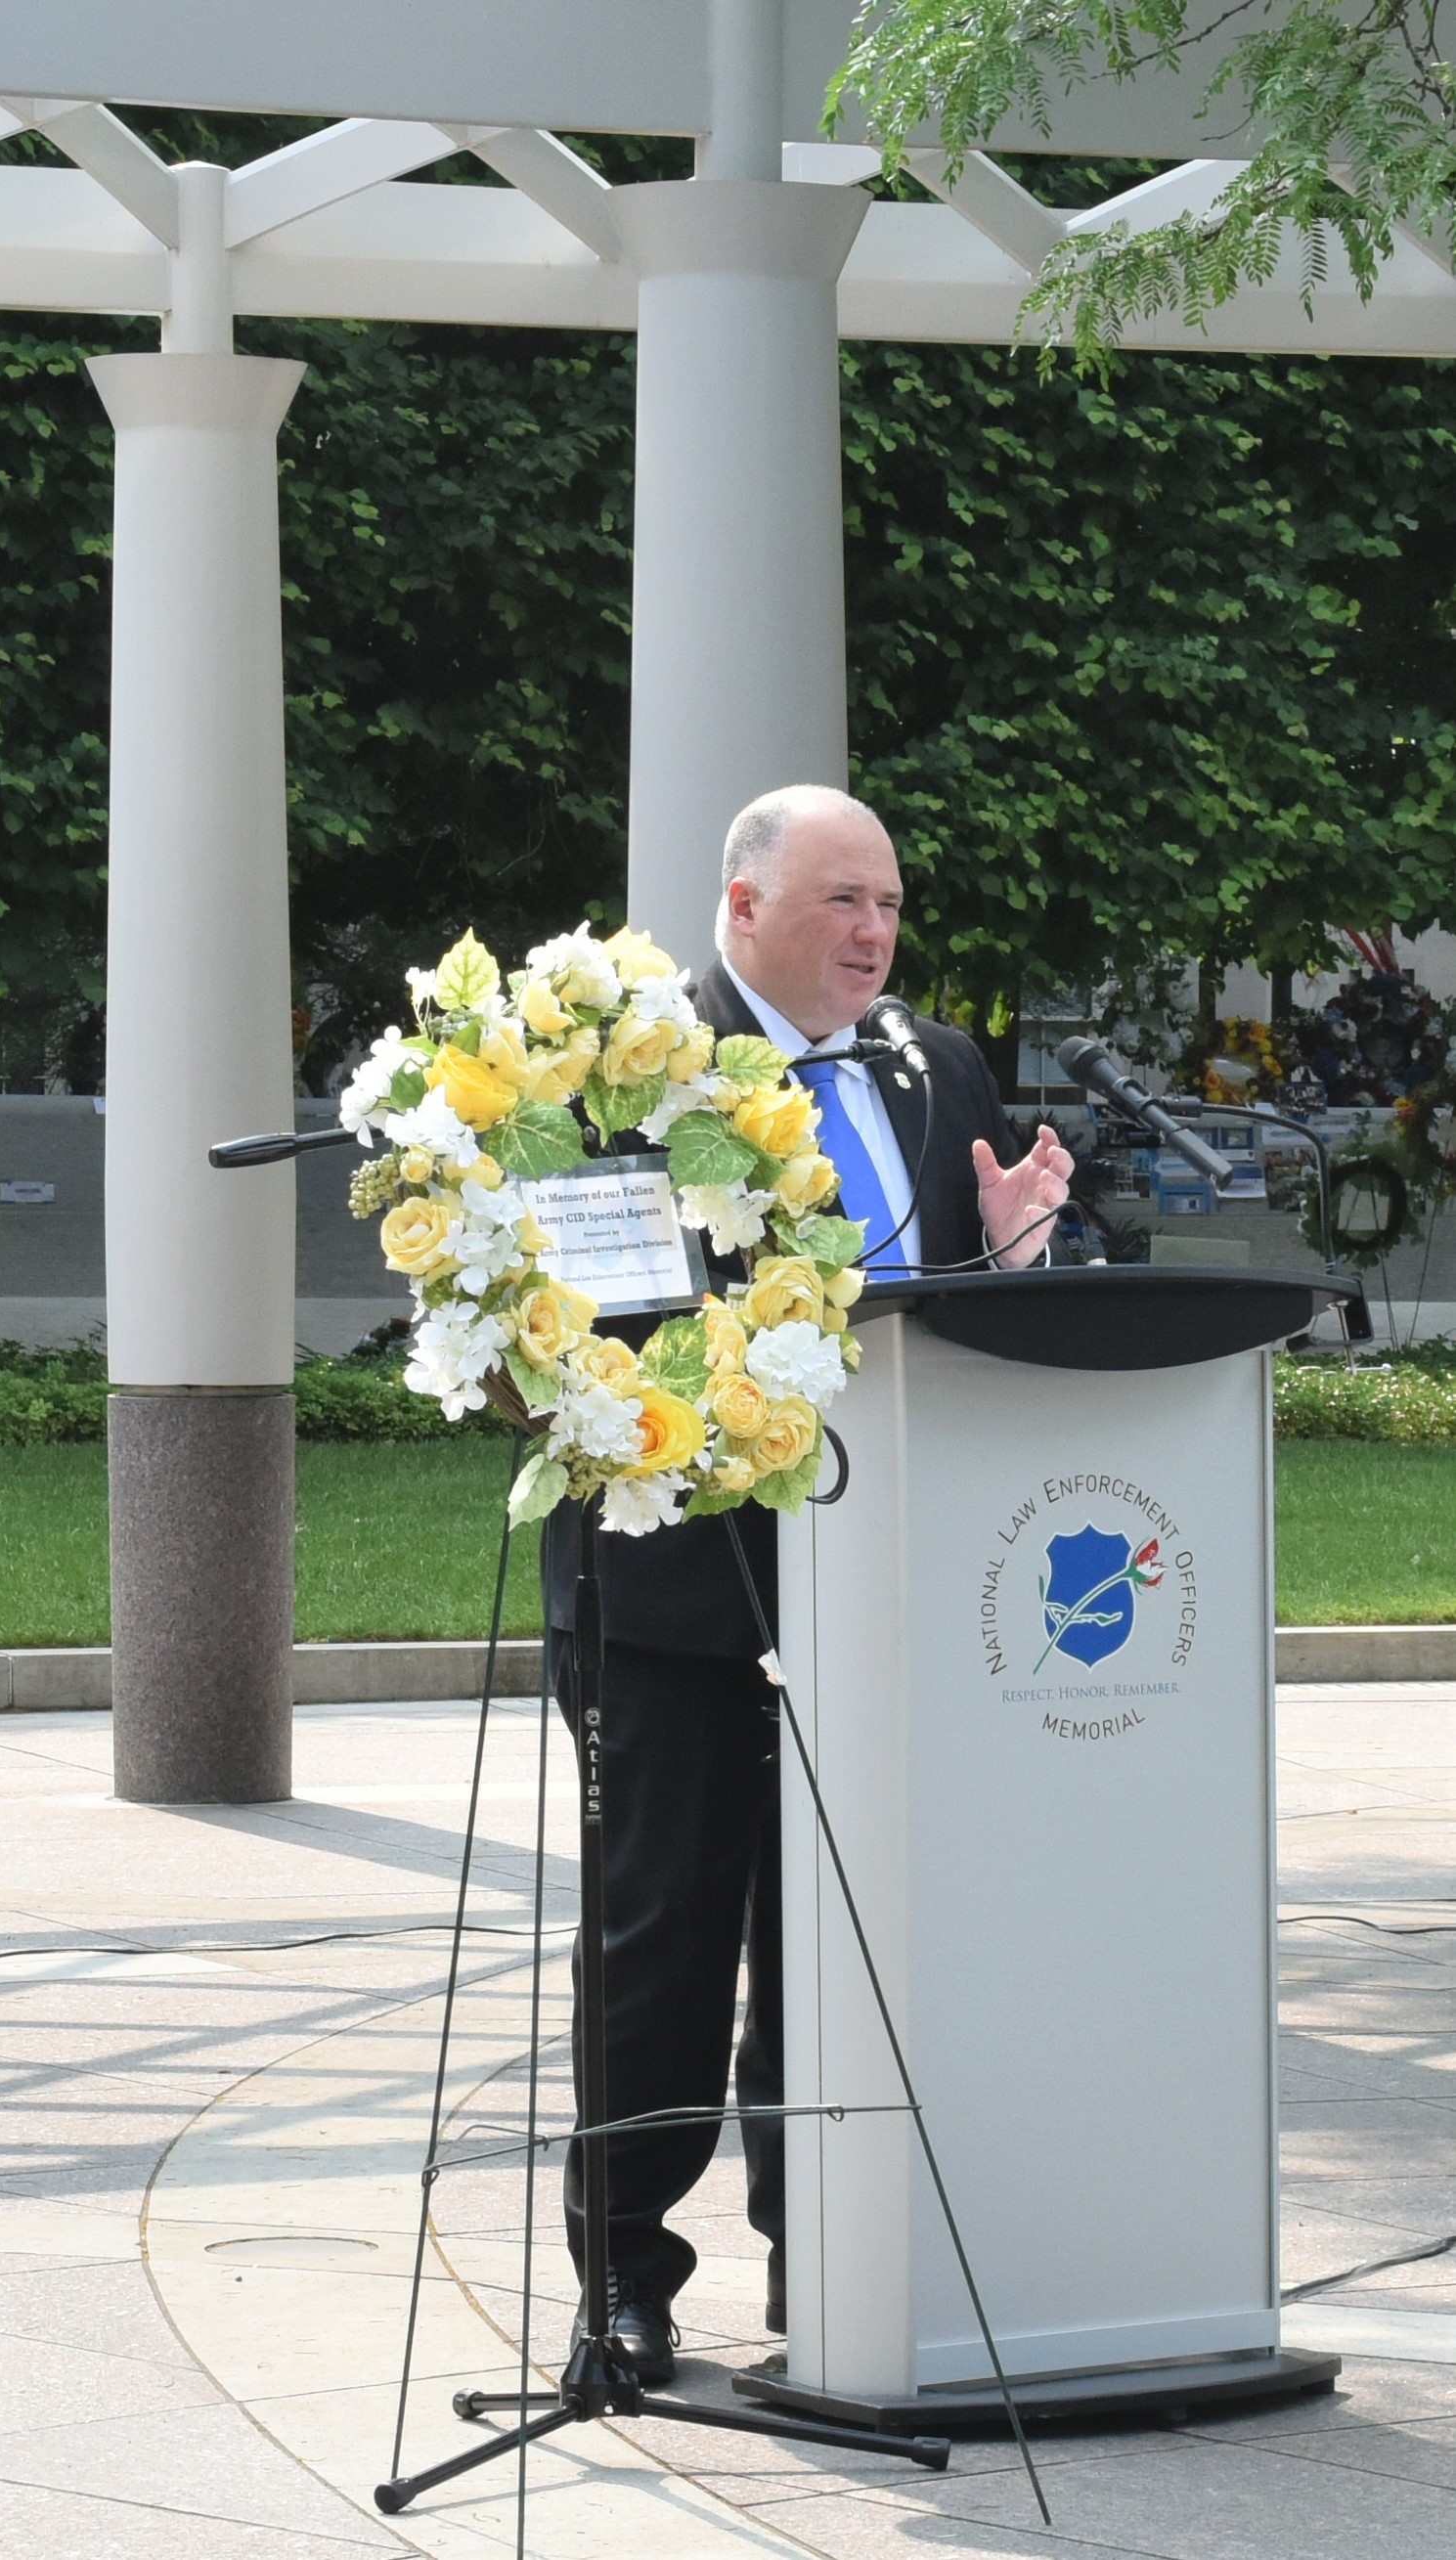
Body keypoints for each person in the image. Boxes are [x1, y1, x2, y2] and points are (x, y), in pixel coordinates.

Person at [543, 784, 1073, 2385]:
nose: (871, 933)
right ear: (739, 900)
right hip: (682, 1585)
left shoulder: (938, 1064)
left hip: (890, 1588)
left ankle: (827, 2263)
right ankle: (620, 2276)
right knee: (662, 1937)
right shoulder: (629, 1072)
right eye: (840, 899)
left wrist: (1014, 1251)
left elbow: (940, 1322)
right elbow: (601, 1326)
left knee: (844, 1945)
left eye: (890, 905)